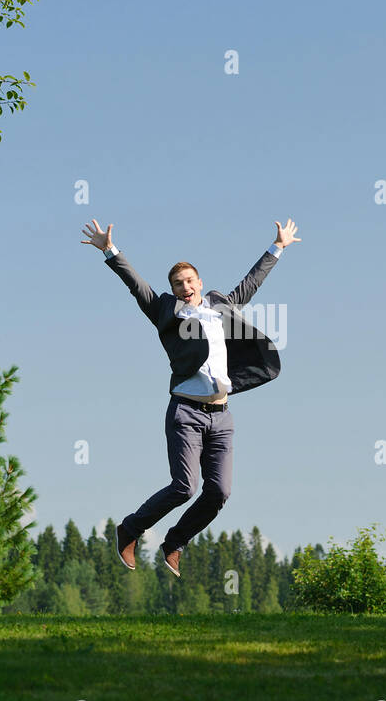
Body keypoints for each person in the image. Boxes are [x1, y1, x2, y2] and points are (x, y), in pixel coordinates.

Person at [81, 218, 300, 577]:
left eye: (189, 281)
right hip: (186, 412)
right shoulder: (166, 313)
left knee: (219, 492)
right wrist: (109, 249)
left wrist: (278, 246)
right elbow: (137, 286)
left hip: (222, 416)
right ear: (173, 289)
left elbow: (252, 283)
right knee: (185, 487)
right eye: (177, 283)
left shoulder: (221, 306)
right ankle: (130, 529)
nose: (184, 287)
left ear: (200, 283)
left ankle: (175, 542)